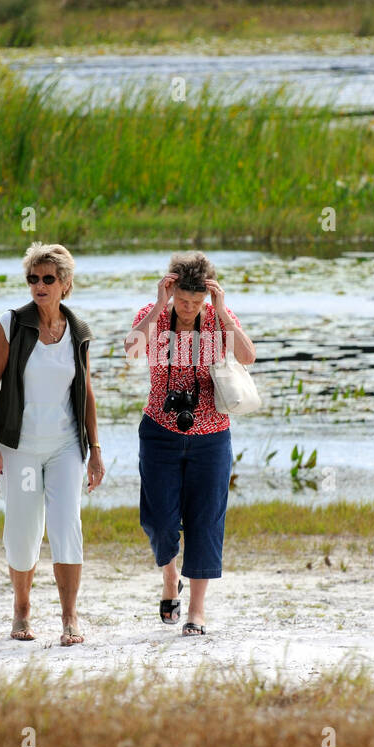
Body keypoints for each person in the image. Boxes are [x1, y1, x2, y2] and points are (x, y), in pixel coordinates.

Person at [0, 242, 105, 646]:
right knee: (23, 527)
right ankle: (22, 608)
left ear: (65, 284)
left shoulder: (78, 331)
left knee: (67, 525)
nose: (39, 285)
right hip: (23, 448)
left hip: (66, 446)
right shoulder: (12, 324)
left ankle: (70, 617)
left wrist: (95, 449)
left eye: (48, 278)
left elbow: (85, 389)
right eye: (33, 278)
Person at [126, 251, 255, 635]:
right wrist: (161, 305)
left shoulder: (216, 318)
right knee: (160, 519)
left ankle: (196, 611)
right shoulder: (155, 313)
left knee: (206, 520)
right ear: (172, 289)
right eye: (183, 300)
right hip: (160, 432)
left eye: (195, 302)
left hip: (211, 435)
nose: (188, 308)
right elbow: (131, 351)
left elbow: (248, 356)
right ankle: (170, 578)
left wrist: (222, 309)